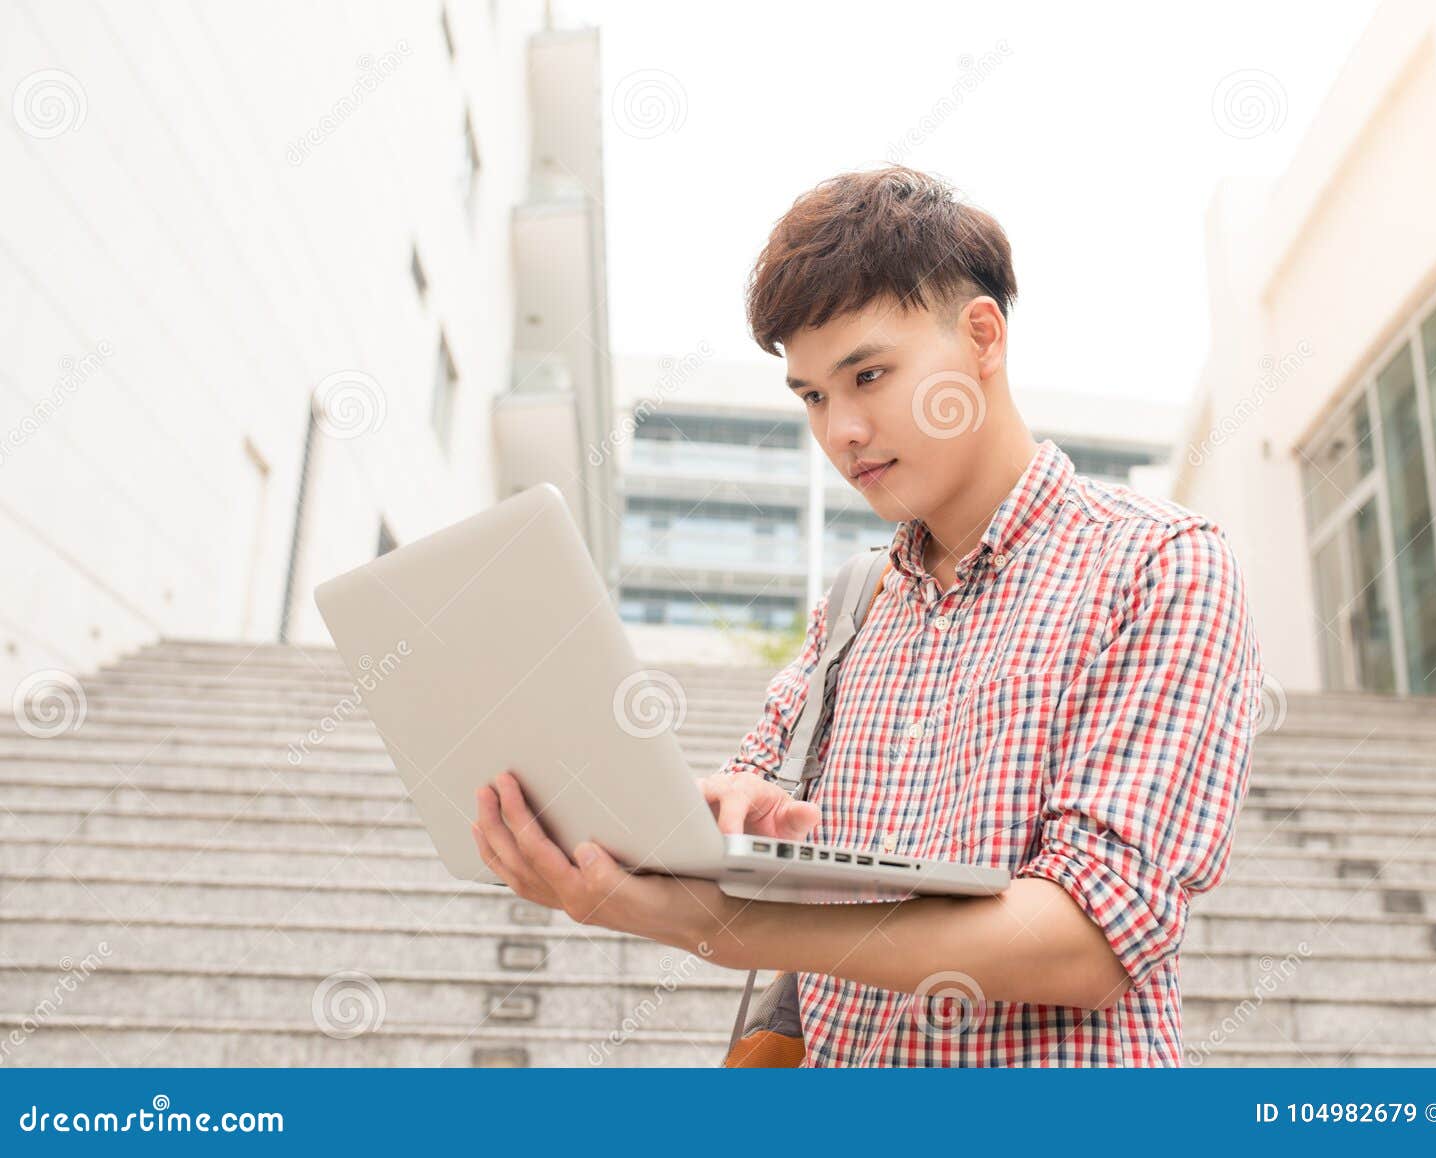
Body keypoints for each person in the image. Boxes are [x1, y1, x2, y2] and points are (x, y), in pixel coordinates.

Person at [472, 165, 1263, 1066]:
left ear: (980, 337)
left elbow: (1089, 938)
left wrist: (737, 931)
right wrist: (699, 827)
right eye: (812, 396)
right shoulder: (853, 608)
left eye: (869, 375)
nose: (839, 431)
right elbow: (751, 788)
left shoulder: (1159, 566)